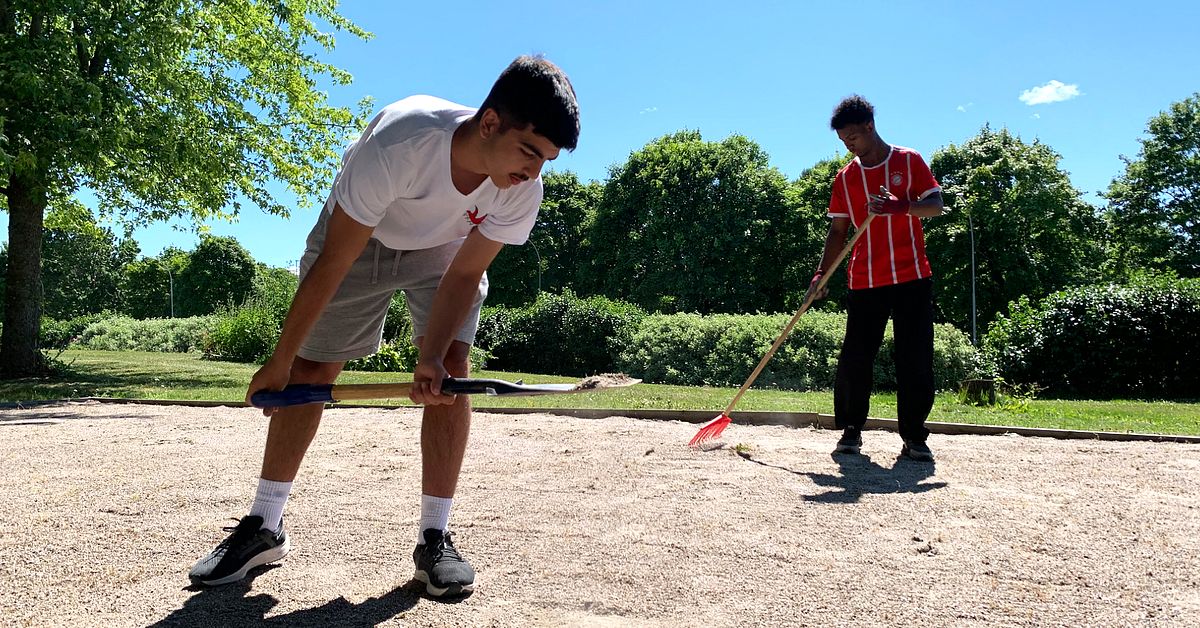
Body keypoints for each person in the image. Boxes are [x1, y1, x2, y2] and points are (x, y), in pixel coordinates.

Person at [188, 55, 580, 597]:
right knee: (314, 367)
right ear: (490, 122)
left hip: (443, 250)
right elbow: (335, 260)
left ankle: (435, 537)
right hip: (362, 239)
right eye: (529, 152)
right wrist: (280, 361)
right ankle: (264, 525)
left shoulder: (520, 189)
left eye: (546, 161)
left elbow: (465, 273)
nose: (533, 172)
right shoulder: (401, 142)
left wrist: (432, 357)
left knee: (452, 372)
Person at [806, 95, 944, 462]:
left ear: (870, 126)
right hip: (865, 280)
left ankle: (914, 436)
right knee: (855, 359)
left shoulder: (909, 161)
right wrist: (821, 274)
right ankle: (851, 430)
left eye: (852, 137)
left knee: (915, 358)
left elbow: (936, 206)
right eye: (843, 140)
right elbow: (838, 231)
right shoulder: (846, 178)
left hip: (912, 277)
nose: (848, 145)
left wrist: (902, 207)